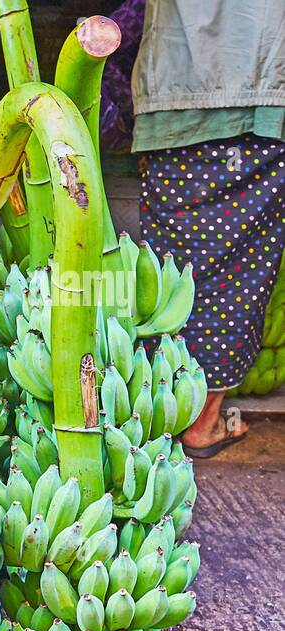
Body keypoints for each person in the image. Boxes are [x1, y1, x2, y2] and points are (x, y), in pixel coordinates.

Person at [131, 0, 285, 456]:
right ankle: (201, 424)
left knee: (167, 274)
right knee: (239, 276)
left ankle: (154, 413)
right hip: (257, 96)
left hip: (169, 96)